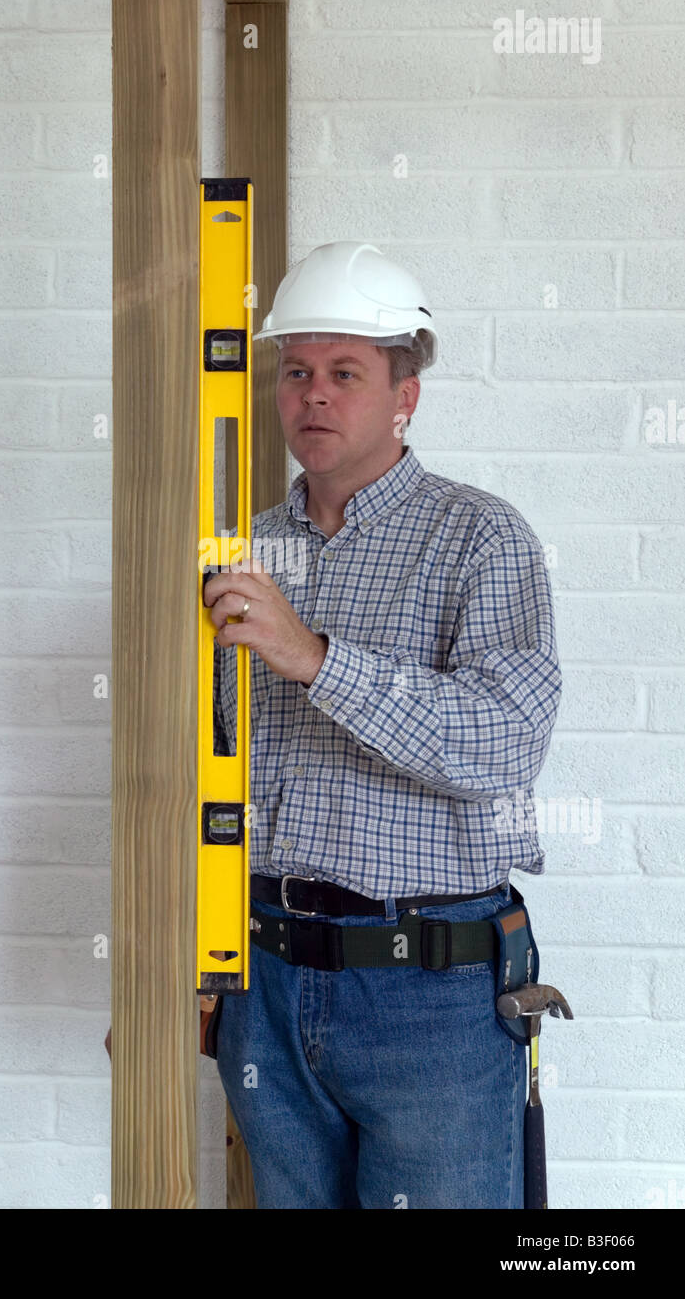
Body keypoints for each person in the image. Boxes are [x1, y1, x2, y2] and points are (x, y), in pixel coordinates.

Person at [203, 241, 562, 1209]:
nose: (313, 395)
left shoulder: (478, 537)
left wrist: (312, 657)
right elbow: (208, 769)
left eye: (346, 374)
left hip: (429, 991)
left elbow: (501, 743)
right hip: (265, 978)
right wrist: (187, 959)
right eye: (297, 372)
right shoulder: (242, 548)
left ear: (405, 394)